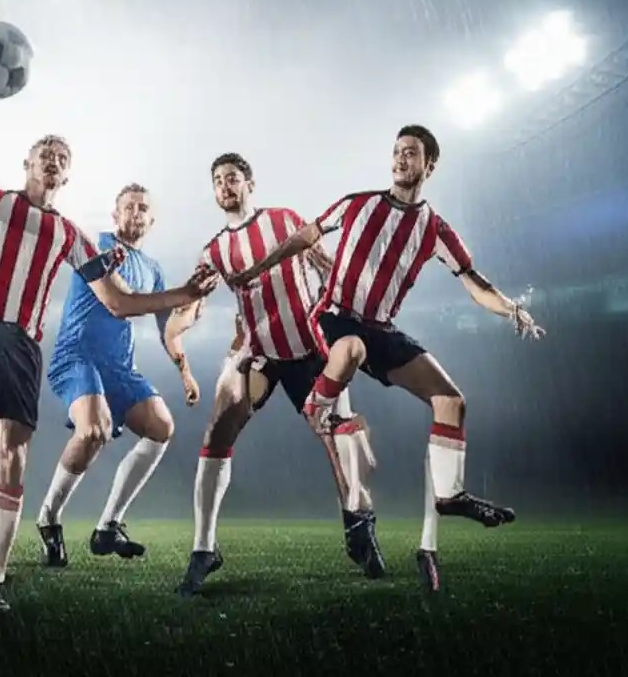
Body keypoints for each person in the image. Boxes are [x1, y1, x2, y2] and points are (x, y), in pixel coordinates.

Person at [0, 134, 219, 613]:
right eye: (45, 153)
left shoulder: (70, 234)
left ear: (66, 176)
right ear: (25, 162)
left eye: (62, 158)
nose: (53, 159)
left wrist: (184, 292)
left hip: (23, 347)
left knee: (15, 461)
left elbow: (116, 301)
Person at [227, 125, 544, 591]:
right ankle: (318, 406)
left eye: (410, 153)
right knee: (350, 349)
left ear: (428, 165)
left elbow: (472, 281)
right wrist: (257, 268)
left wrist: (512, 308)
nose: (400, 159)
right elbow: (303, 236)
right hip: (334, 317)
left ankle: (451, 493)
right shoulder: (358, 203)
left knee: (451, 400)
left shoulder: (434, 228)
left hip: (380, 328)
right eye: (396, 152)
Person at [166, 153, 382, 598]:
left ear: (250, 184)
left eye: (233, 178)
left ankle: (359, 527)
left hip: (310, 351)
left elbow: (326, 266)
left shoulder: (284, 220)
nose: (226, 186)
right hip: (258, 354)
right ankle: (204, 548)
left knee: (340, 441)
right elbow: (193, 304)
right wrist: (179, 325)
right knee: (218, 427)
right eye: (218, 181)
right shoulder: (213, 251)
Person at [35, 183, 199, 566]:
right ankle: (49, 518)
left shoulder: (153, 269)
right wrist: (183, 294)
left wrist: (192, 313)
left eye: (143, 208)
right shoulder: (97, 246)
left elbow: (168, 329)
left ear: (152, 220)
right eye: (129, 207)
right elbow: (119, 305)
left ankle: (108, 526)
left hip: (119, 367)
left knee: (161, 426)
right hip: (78, 356)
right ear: (115, 213)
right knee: (94, 430)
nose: (136, 213)